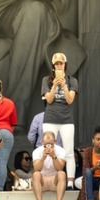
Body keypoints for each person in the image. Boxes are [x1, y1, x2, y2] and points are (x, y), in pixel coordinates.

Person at [41, 52, 78, 188]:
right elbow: (49, 99)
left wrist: (64, 86)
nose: (59, 66)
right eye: (56, 64)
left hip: (66, 119)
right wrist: (54, 85)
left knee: (68, 151)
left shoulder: (72, 80)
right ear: (53, 66)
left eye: (61, 63)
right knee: (49, 148)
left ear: (65, 65)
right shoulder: (46, 80)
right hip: (50, 118)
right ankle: (49, 179)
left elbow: (69, 100)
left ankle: (70, 182)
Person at [31, 131, 67, 200]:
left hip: (54, 181)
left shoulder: (61, 150)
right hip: (42, 181)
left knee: (62, 174)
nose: (48, 147)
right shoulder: (37, 151)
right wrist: (43, 157)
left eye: (51, 144)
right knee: (36, 174)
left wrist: (54, 156)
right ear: (42, 142)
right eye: (46, 144)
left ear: (55, 141)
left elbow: (59, 168)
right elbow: (36, 169)